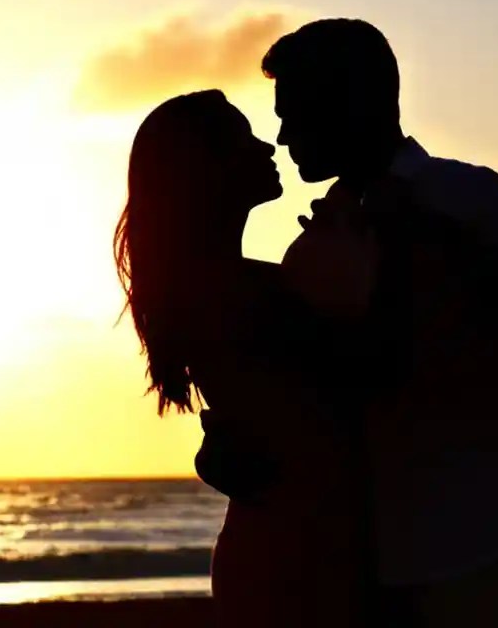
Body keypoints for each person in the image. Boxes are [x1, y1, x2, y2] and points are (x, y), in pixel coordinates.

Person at [201, 18, 498, 627]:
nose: (284, 135)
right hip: (364, 566)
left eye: (296, 114)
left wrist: (430, 233)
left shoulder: (466, 195)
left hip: (479, 551)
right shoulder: (312, 246)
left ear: (350, 105)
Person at [114, 90, 368, 626]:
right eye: (243, 138)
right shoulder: (236, 294)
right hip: (294, 559)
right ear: (206, 170)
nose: (267, 146)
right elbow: (361, 384)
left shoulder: (221, 286)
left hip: (281, 547)